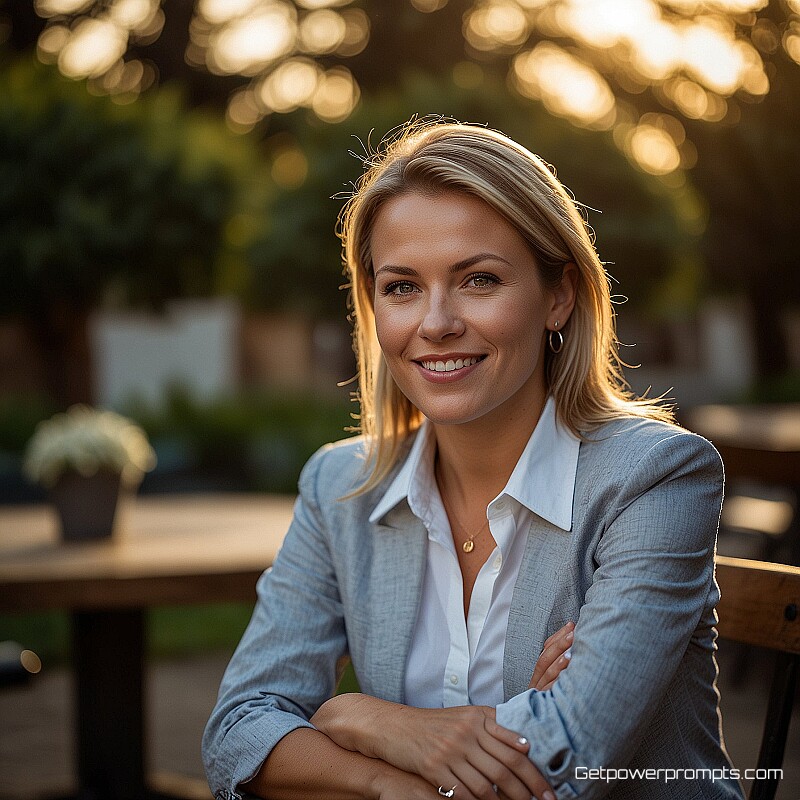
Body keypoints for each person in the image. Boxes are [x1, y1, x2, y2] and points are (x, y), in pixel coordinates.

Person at [202, 121, 743, 800]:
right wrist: (389, 754)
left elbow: (562, 763)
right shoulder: (339, 487)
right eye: (401, 286)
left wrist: (343, 715)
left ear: (558, 296)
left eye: (478, 280)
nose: (435, 323)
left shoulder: (655, 478)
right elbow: (236, 736)